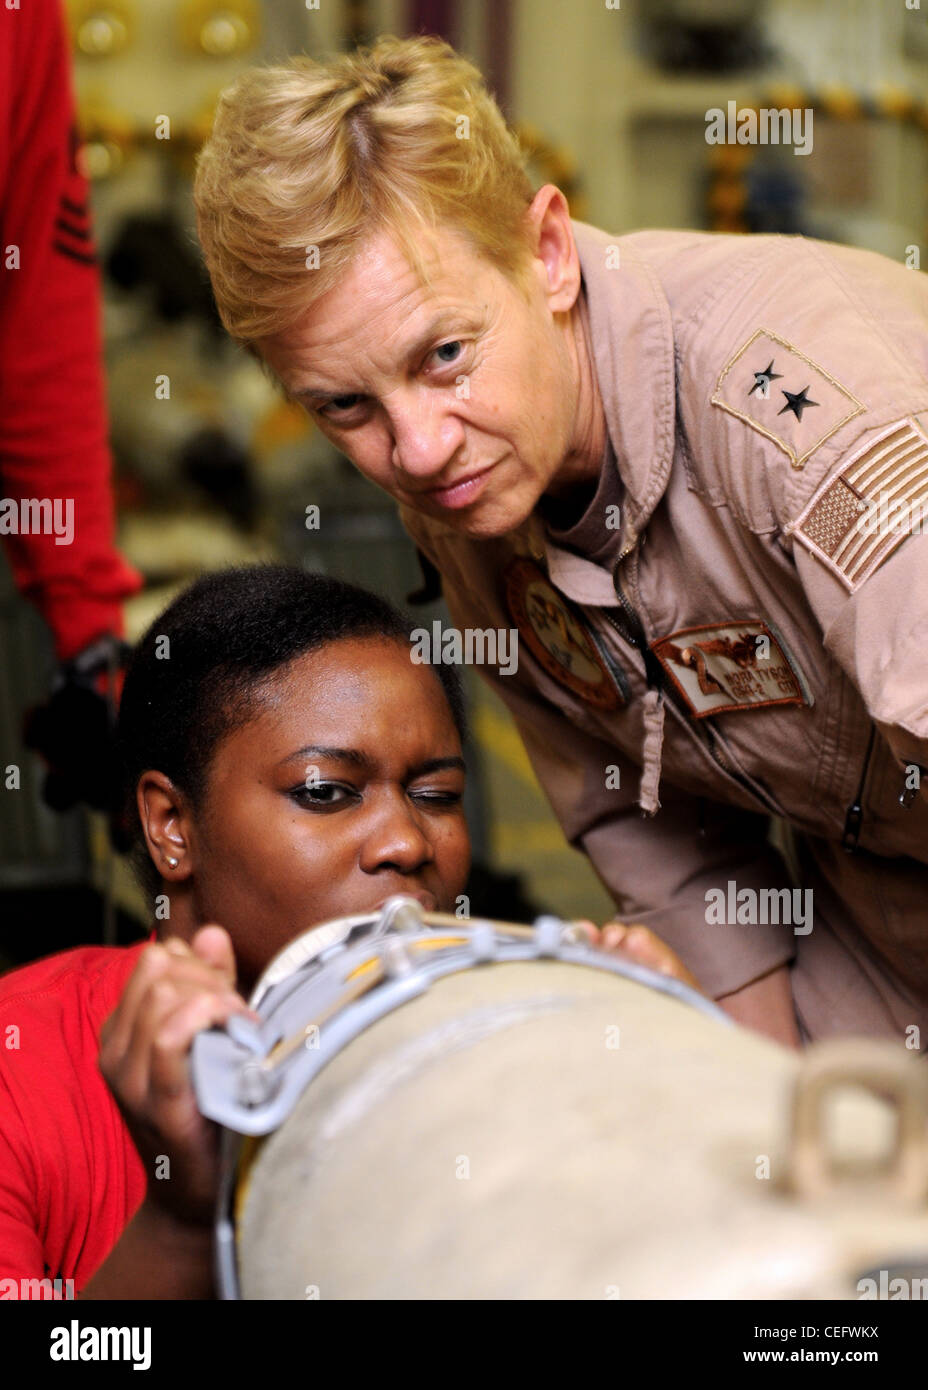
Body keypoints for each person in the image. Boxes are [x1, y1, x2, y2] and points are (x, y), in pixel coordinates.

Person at [192, 33, 928, 1051]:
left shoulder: (817, 417)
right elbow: (653, 827)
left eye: (445, 354)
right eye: (345, 405)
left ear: (545, 254)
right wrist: (761, 1106)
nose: (414, 447)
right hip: (873, 901)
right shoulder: (471, 483)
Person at [0, 563, 692, 1300]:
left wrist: (668, 1101)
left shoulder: (516, 1055)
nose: (406, 841)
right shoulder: (22, 1068)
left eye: (436, 795)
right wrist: (179, 1226)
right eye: (325, 792)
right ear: (172, 825)